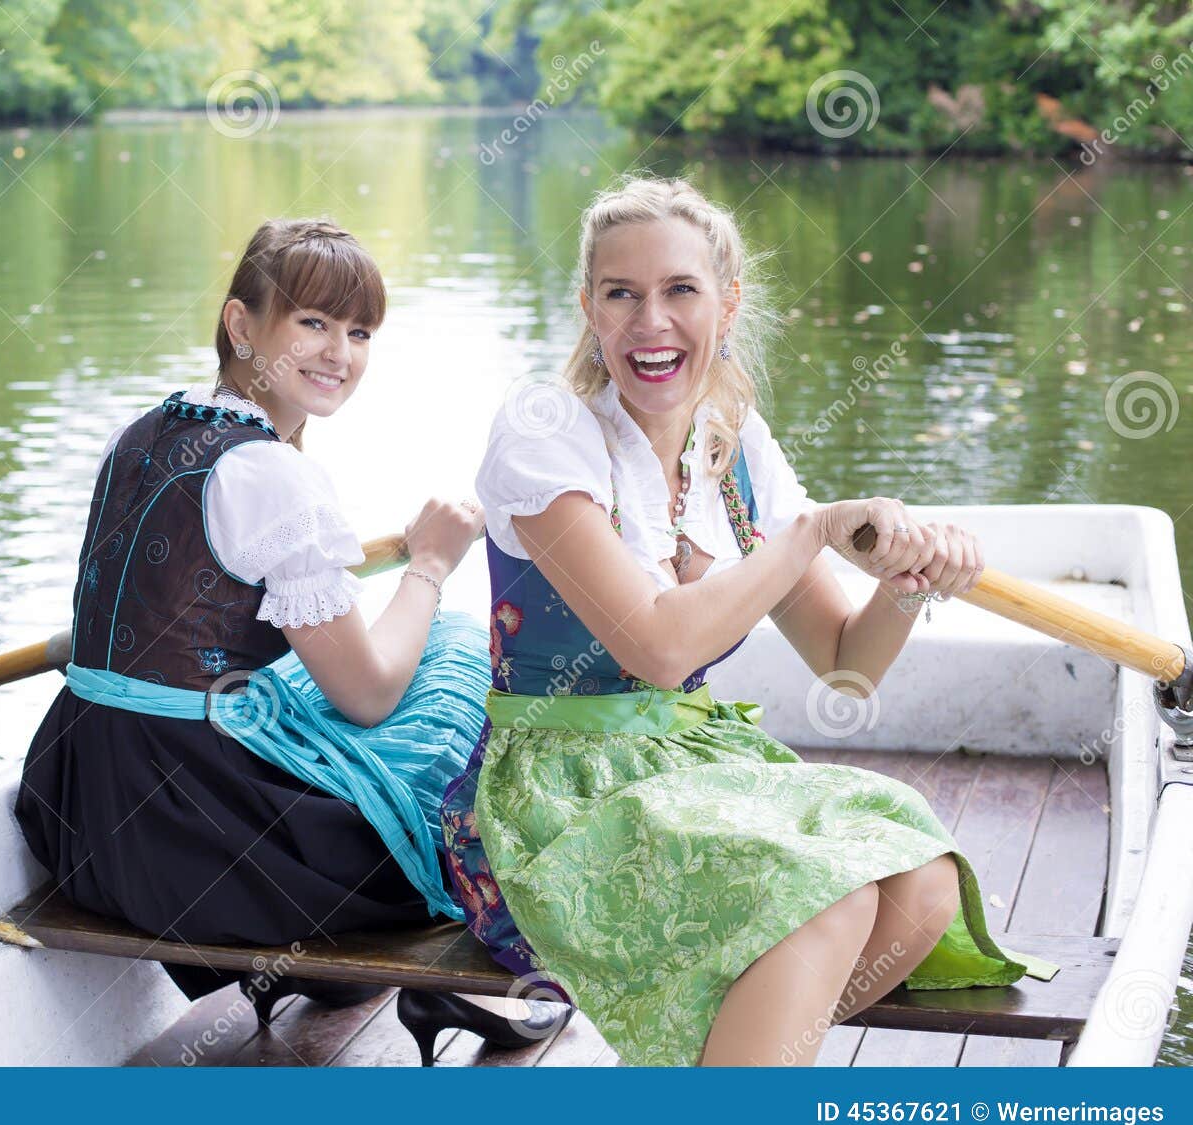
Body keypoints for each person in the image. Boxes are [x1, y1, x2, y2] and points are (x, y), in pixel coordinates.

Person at [440, 175, 1056, 1067]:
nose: (651, 321)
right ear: (589, 307)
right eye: (622, 294)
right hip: (548, 805)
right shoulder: (547, 431)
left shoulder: (734, 448)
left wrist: (915, 582)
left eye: (680, 290)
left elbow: (846, 664)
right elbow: (656, 646)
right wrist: (808, 533)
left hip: (689, 769)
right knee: (822, 897)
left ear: (726, 304)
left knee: (920, 878)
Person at [15, 217, 559, 1056]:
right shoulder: (272, 474)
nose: (339, 351)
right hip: (193, 837)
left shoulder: (144, 432)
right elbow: (370, 694)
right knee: (453, 658)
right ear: (242, 324)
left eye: (360, 331)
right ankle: (450, 935)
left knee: (315, 681)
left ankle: (335, 973)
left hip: (83, 813)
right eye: (312, 322)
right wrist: (430, 563)